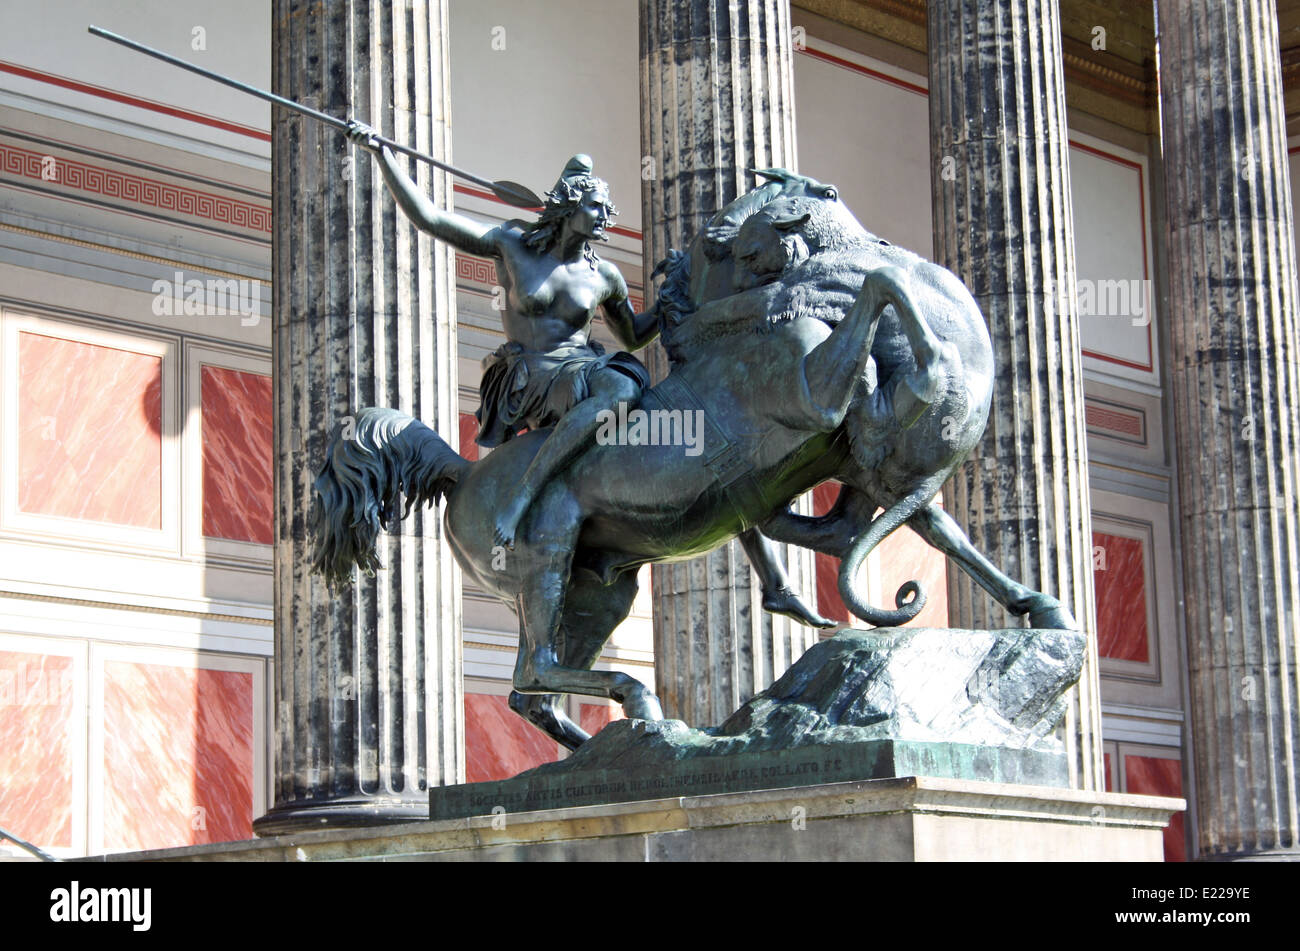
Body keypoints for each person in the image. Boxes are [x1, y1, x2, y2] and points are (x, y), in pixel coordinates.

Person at [346, 121, 831, 627]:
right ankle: (522, 497)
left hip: (582, 366)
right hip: (530, 374)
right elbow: (430, 219)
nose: (606, 217)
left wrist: (669, 305)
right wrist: (382, 154)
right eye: (597, 207)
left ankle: (775, 581)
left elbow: (634, 334)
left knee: (693, 432)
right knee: (621, 387)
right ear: (569, 206)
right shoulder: (513, 246)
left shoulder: (605, 275)